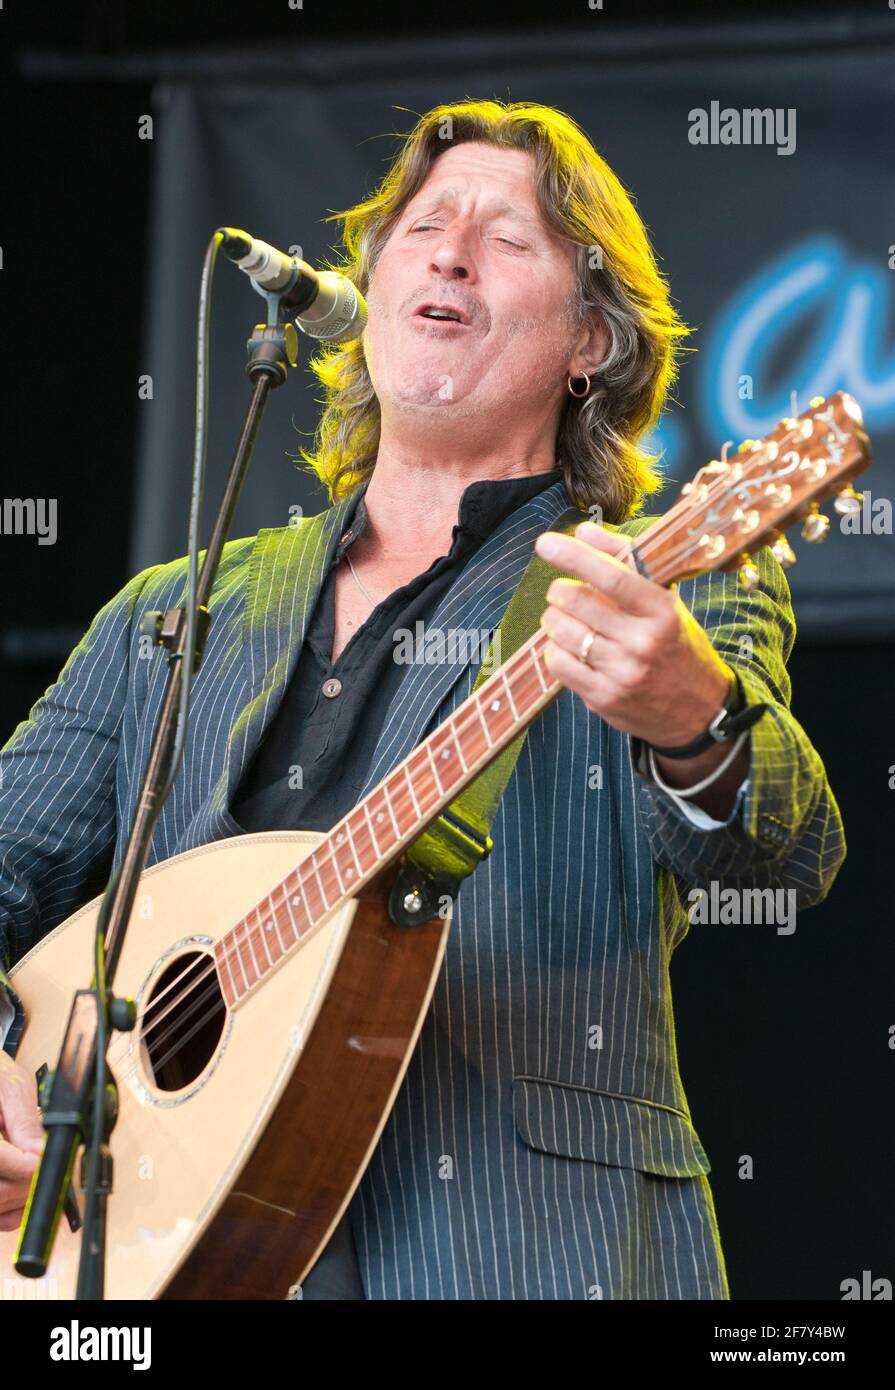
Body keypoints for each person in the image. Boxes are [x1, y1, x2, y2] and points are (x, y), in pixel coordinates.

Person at [0, 100, 844, 1298]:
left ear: (591, 343)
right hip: (152, 1253)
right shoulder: (166, 612)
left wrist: (693, 722)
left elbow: (785, 865)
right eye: (423, 225)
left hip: (527, 1250)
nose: (449, 249)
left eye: (508, 237)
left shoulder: (666, 584)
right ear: (369, 292)